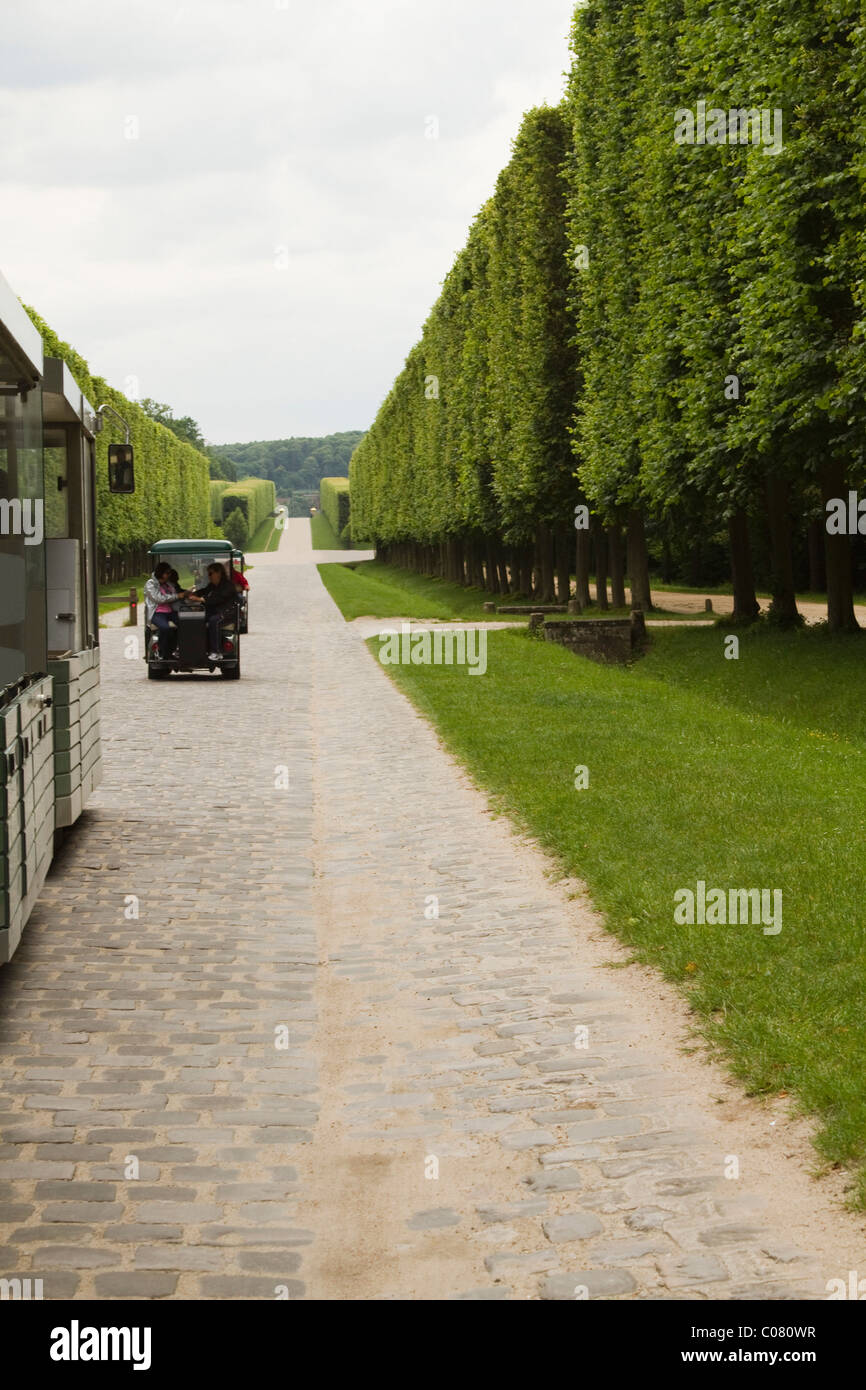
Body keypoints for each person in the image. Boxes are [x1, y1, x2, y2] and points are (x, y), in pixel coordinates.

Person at [186, 562, 237, 661]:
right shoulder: (213, 585)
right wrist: (191, 594)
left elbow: (218, 598)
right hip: (215, 611)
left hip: (226, 613)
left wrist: (200, 599)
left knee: (214, 621)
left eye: (210, 574)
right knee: (194, 618)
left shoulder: (228, 585)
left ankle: (216, 652)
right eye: (208, 574)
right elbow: (204, 591)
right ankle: (190, 648)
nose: (209, 576)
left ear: (219, 573)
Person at [144, 562, 181, 658]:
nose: (169, 575)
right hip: (157, 613)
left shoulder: (167, 584)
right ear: (161, 573)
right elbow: (158, 598)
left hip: (169, 611)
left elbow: (174, 594)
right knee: (165, 628)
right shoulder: (150, 584)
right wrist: (177, 596)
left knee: (185, 623)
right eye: (167, 573)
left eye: (169, 573)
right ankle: (162, 650)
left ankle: (179, 648)